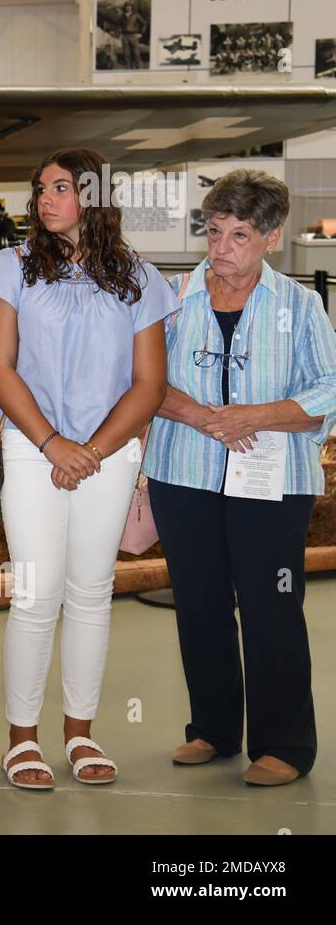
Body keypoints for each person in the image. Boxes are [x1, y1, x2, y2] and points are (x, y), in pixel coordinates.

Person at [0, 148, 178, 790]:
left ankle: (81, 735)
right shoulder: (9, 268)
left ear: (94, 195)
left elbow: (150, 384)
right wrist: (55, 443)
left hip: (109, 455)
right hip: (36, 451)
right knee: (35, 596)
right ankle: (22, 741)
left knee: (91, 595)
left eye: (59, 187)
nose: (44, 200)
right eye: (40, 189)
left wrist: (92, 450)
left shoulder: (140, 279)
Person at [144, 169, 336, 786]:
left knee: (271, 605)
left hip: (274, 482)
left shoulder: (302, 305)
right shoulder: (173, 298)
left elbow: (328, 389)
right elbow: (143, 383)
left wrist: (255, 416)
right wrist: (203, 417)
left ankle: (283, 745)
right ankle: (212, 730)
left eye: (240, 235)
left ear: (273, 238)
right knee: (198, 604)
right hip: (184, 473)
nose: (221, 247)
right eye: (215, 231)